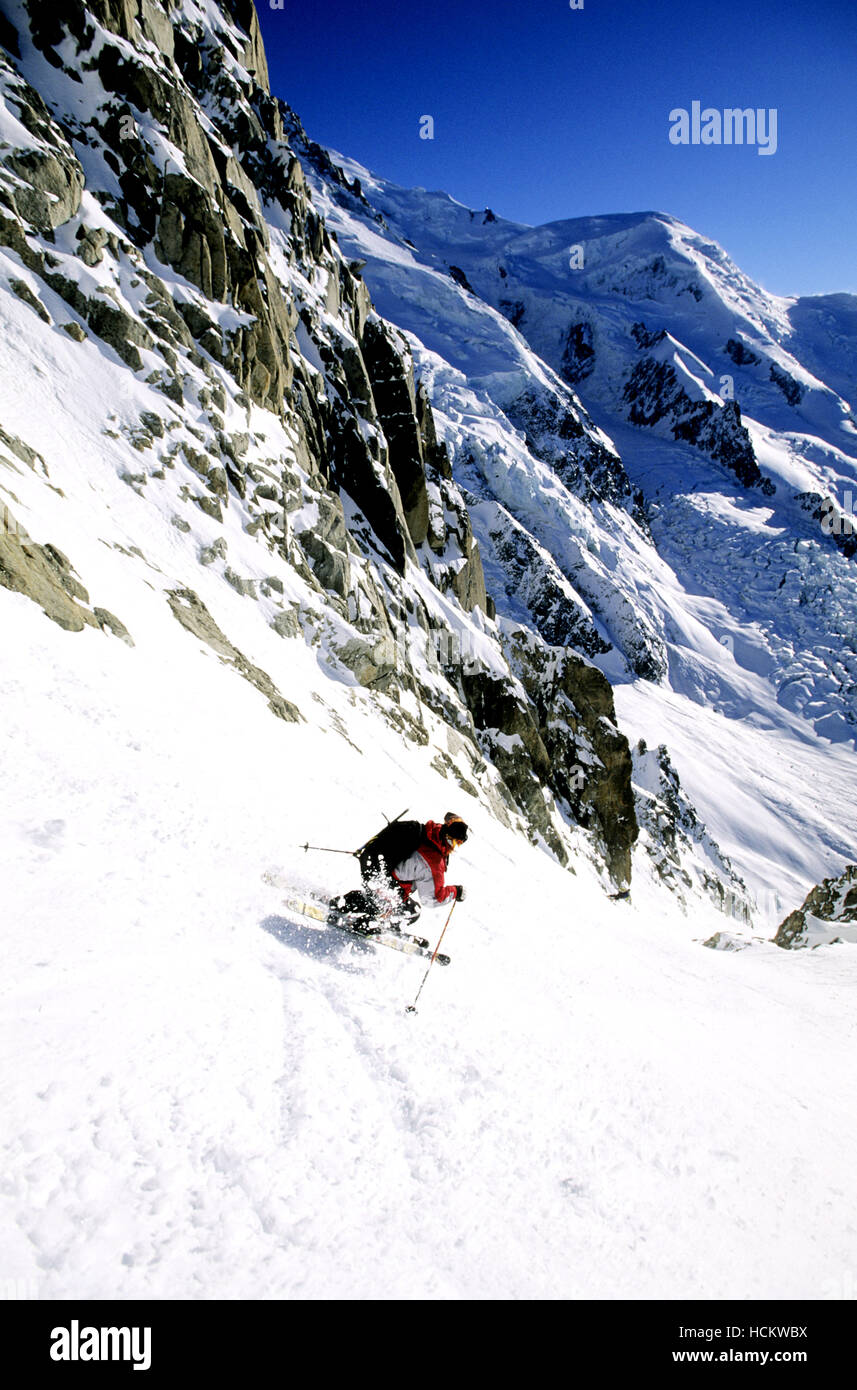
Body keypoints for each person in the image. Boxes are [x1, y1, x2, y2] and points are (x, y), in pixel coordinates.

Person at [328, 814, 469, 932]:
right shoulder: (433, 862)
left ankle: (344, 903)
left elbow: (450, 816)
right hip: (384, 881)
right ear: (448, 838)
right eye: (455, 842)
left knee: (381, 897)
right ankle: (367, 926)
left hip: (371, 866)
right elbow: (432, 899)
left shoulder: (428, 831)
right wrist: (455, 892)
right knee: (412, 912)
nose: (455, 846)